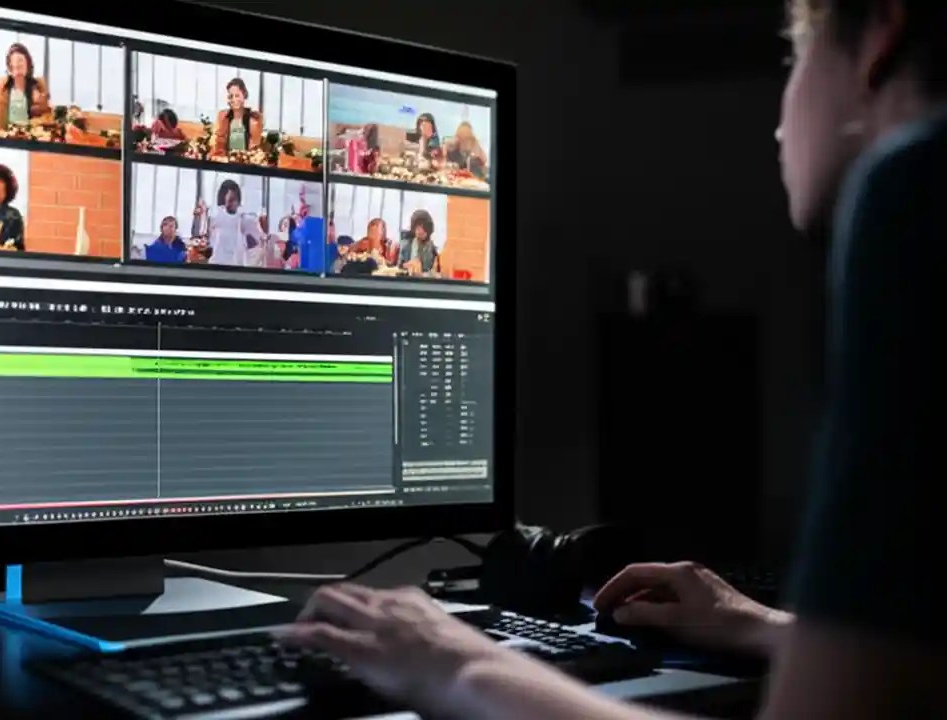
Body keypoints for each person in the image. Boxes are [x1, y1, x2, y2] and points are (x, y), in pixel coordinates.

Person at [281, 1, 947, 717]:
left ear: (881, 33)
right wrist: (769, 627)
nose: (781, 122)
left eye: (796, 56)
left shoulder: (917, 193)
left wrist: (458, 664)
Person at [0, 43, 50, 132]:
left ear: (28, 63)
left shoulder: (38, 84)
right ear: (10, 67)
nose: (18, 65)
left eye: (20, 62)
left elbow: (47, 115)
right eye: (15, 63)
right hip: (8, 134)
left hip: (32, 134)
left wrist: (39, 100)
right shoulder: (1, 86)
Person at [195, 179, 256, 267]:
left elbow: (254, 242)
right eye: (231, 200)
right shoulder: (215, 215)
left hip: (237, 267)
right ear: (223, 199)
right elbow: (202, 235)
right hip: (216, 265)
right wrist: (203, 214)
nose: (235, 203)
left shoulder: (243, 218)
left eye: (237, 199)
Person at [213, 78, 263, 157]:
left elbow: (254, 149)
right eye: (230, 96)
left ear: (244, 95)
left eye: (237, 96)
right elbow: (219, 145)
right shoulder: (223, 116)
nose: (233, 99)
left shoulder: (253, 120)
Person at [399, 210, 440, 278]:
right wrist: (408, 265)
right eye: (418, 228)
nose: (420, 231)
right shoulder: (405, 245)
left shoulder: (432, 249)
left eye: (423, 228)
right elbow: (398, 267)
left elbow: (435, 270)